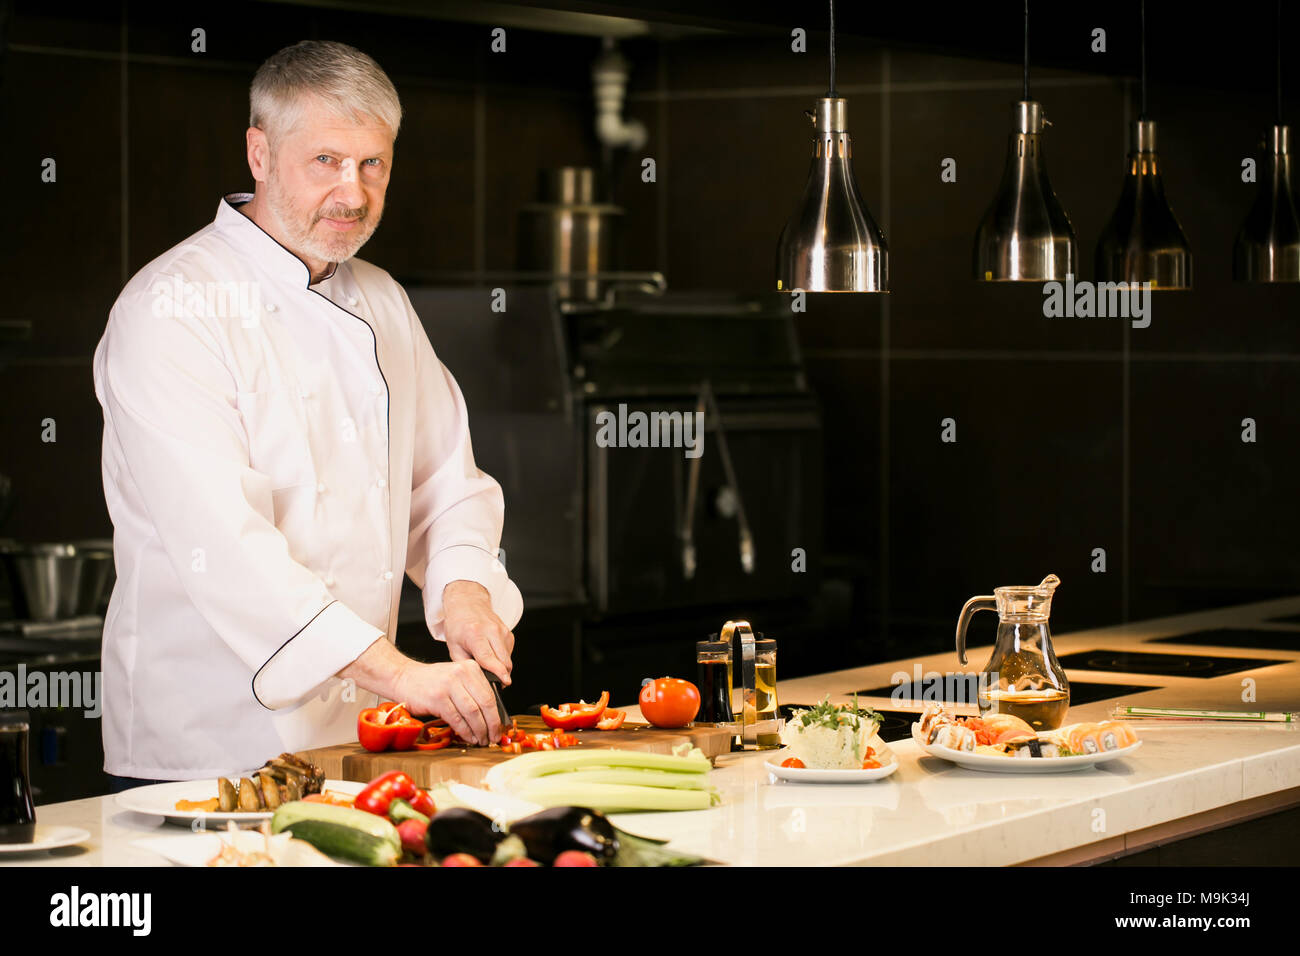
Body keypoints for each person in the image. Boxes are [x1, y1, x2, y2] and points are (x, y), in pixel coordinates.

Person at [92, 40, 522, 787]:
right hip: (211, 745)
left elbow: (444, 481)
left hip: (359, 738)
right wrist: (405, 677)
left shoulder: (382, 298)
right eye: (325, 161)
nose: (353, 193)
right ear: (259, 154)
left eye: (373, 164)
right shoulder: (174, 306)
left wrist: (463, 592)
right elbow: (226, 548)